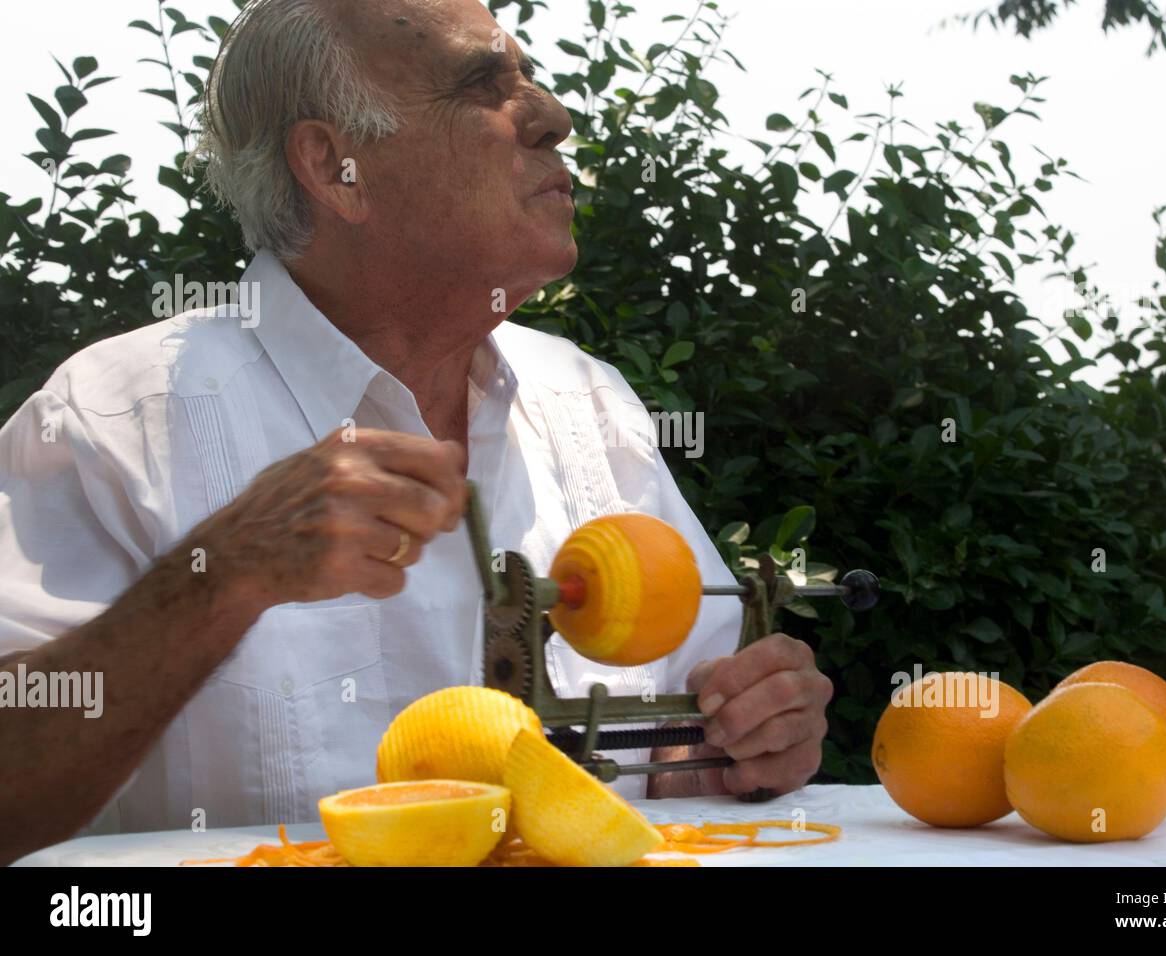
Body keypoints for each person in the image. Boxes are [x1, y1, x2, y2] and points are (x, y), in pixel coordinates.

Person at [0, 0, 832, 865]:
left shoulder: (591, 403)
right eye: (484, 84)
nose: (554, 115)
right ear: (335, 167)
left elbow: (687, 755)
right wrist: (217, 578)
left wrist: (749, 740)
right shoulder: (110, 422)